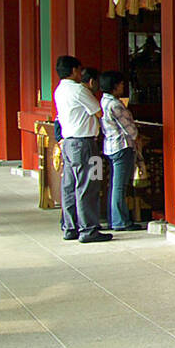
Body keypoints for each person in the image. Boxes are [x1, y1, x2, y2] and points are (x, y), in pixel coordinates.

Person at [54, 55, 110, 243]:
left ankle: (70, 227)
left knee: (69, 186)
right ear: (73, 71)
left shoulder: (59, 90)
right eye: (79, 70)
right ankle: (89, 229)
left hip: (69, 142)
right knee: (89, 184)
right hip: (85, 143)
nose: (81, 74)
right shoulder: (79, 90)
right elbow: (99, 112)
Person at [99, 70, 144, 232]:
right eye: (121, 84)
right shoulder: (115, 105)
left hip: (111, 145)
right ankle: (120, 221)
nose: (123, 86)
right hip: (121, 146)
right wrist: (138, 136)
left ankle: (115, 218)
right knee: (120, 186)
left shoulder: (103, 102)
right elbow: (130, 129)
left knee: (115, 185)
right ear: (115, 86)